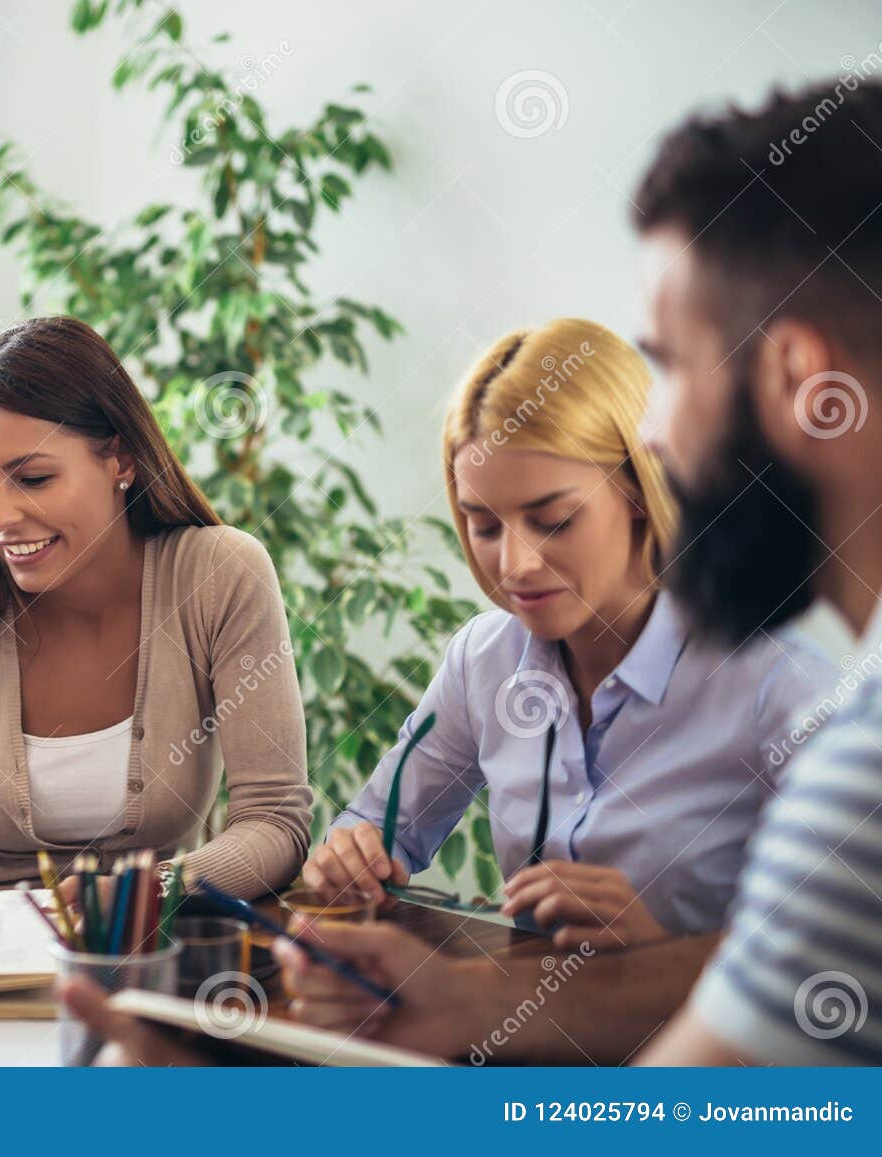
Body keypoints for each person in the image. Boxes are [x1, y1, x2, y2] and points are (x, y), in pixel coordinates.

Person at [59, 77, 882, 1066]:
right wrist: (457, 997)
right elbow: (780, 998)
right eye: (482, 523)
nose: (658, 430)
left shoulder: (832, 721)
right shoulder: (496, 659)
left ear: (798, 376)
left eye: (667, 365)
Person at [303, 319, 831, 950]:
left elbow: (844, 955)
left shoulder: (778, 685)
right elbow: (379, 826)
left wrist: (661, 947)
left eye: (553, 520)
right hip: (521, 1032)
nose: (516, 565)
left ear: (639, 488)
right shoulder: (483, 659)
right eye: (484, 525)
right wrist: (349, 856)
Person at [0, 315, 311, 912]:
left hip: (164, 957)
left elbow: (275, 822)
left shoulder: (217, 577)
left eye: (33, 478)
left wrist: (140, 896)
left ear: (120, 461)